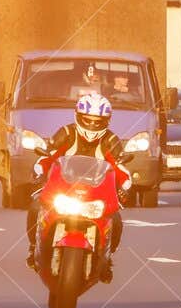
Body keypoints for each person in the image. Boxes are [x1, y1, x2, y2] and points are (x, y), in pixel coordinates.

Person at [26, 93, 128, 277]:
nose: (92, 125)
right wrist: (39, 172)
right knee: (35, 207)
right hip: (64, 190)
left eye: (98, 121)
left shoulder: (111, 141)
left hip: (95, 194)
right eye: (87, 120)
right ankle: (34, 247)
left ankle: (107, 259)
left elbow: (120, 169)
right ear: (78, 116)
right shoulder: (66, 134)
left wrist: (125, 186)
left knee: (116, 219)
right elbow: (47, 157)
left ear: (107, 121)